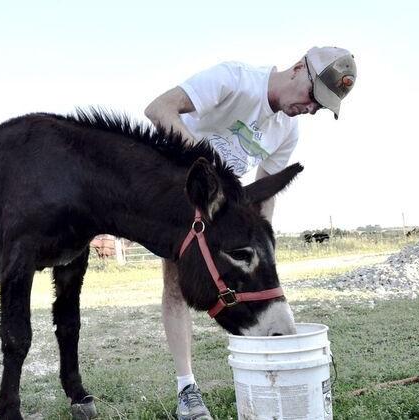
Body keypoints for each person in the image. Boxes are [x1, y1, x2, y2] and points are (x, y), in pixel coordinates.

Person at [144, 46, 357, 420]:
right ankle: (187, 389)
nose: (310, 109)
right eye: (312, 97)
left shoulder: (287, 133)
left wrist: (264, 245)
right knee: (176, 285)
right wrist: (212, 174)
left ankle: (259, 367)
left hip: (226, 211)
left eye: (320, 108)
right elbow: (158, 109)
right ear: (296, 70)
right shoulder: (235, 80)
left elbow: (264, 197)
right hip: (184, 195)